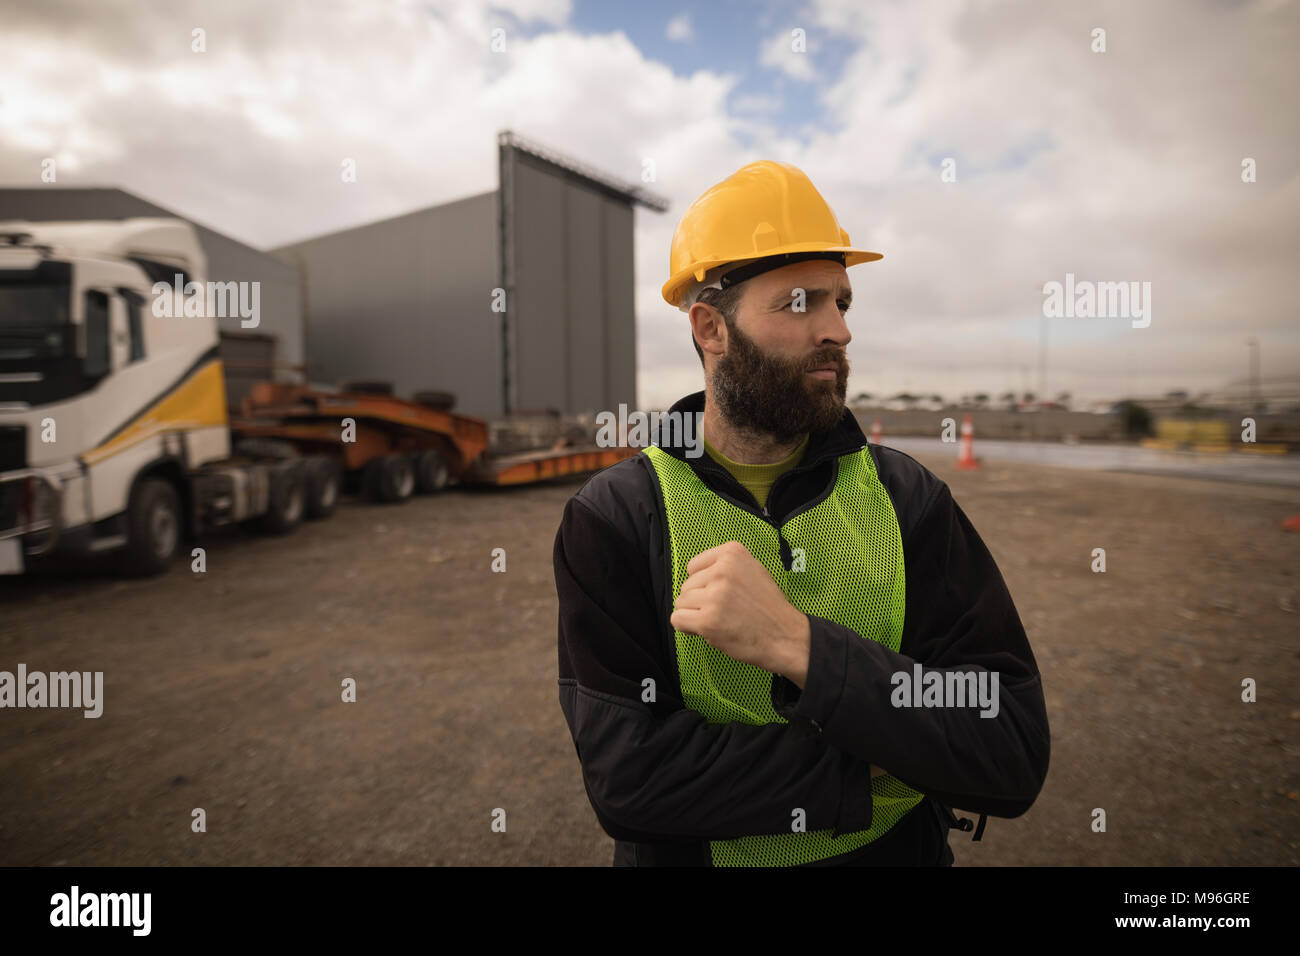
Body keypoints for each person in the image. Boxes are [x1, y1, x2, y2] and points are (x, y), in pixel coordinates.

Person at [553, 160, 1050, 866]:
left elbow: (1009, 746)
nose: (838, 331)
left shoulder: (908, 501)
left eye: (843, 302)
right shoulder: (618, 517)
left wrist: (801, 647)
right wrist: (884, 764)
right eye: (799, 303)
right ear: (709, 328)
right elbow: (631, 784)